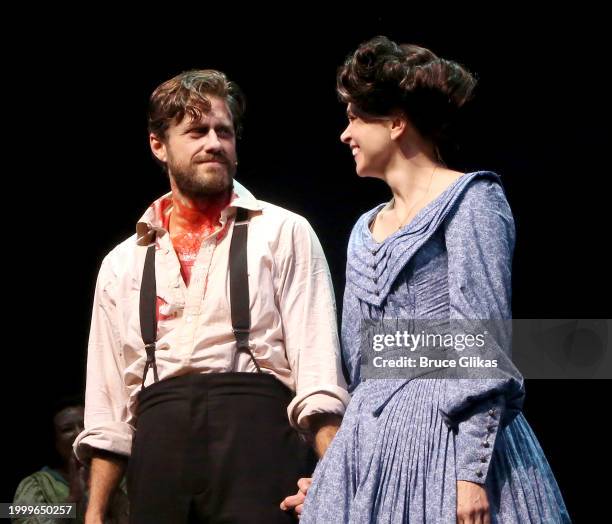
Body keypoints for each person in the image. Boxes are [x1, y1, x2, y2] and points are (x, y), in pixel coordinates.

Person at [296, 36, 570, 523]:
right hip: (372, 442)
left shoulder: (472, 201)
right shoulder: (364, 229)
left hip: (449, 440)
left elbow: (482, 345)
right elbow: (362, 366)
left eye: (356, 117)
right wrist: (337, 475)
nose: (346, 133)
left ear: (397, 122)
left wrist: (470, 475)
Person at [73, 69, 349, 524]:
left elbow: (319, 372)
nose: (214, 143)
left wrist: (338, 478)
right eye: (197, 131)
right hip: (158, 451)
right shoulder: (121, 263)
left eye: (224, 131)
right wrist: (95, 511)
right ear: (158, 145)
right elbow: (107, 402)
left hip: (259, 445)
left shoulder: (283, 232)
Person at [13, 398, 129, 524]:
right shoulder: (36, 483)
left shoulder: (120, 476)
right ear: (55, 442)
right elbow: (17, 517)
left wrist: (110, 490)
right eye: (67, 429)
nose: (79, 434)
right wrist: (73, 499)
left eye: (84, 425)